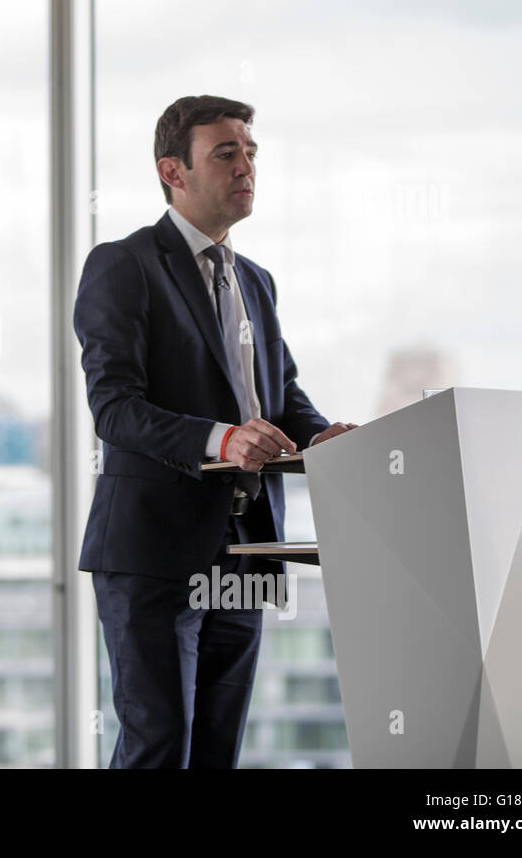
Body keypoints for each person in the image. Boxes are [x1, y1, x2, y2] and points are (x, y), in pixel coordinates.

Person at [72, 94, 357, 768]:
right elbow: (113, 408)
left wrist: (320, 439)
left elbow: (279, 399)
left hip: (247, 548)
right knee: (160, 746)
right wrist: (221, 440)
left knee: (216, 751)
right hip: (154, 554)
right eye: (226, 153)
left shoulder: (257, 282)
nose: (246, 166)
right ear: (174, 171)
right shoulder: (124, 266)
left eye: (251, 153)